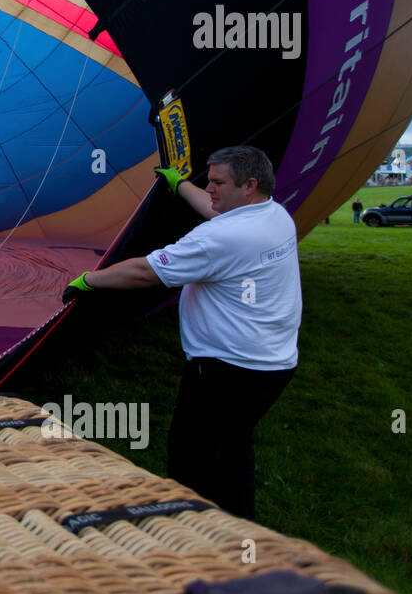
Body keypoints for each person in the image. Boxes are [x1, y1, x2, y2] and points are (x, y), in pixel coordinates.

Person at [61, 145, 301, 521]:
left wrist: (91, 280)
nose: (210, 188)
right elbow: (214, 210)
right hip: (273, 361)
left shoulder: (223, 238)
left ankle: (208, 530)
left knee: (196, 455)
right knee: (233, 445)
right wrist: (179, 184)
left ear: (249, 184)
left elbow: (146, 271)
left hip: (229, 370)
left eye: (218, 181)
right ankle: (227, 528)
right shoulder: (274, 214)